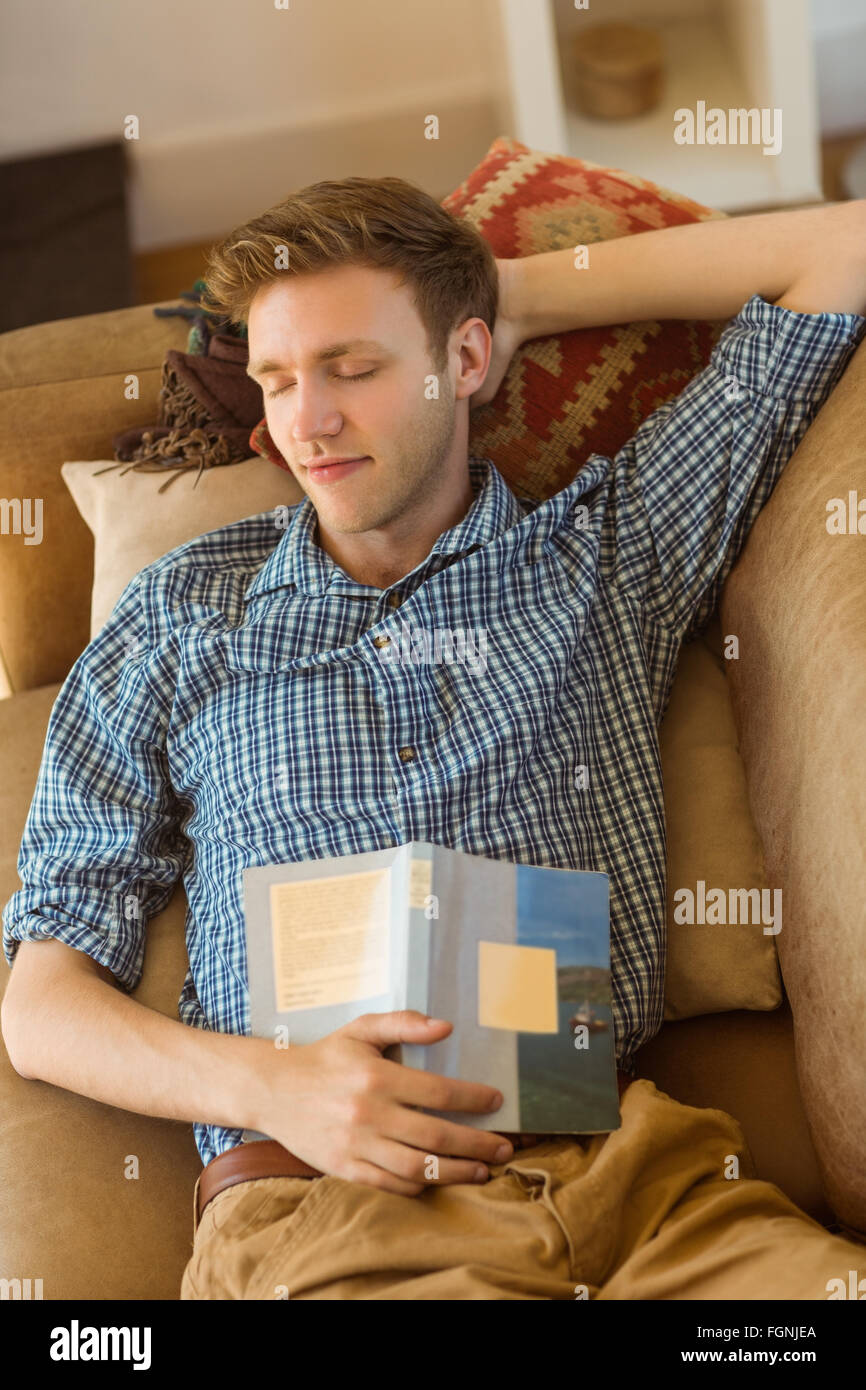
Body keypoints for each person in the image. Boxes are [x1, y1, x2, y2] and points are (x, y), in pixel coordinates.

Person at [3, 176, 866, 1300]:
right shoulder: (180, 614)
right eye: (276, 379)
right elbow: (41, 1004)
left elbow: (845, 244)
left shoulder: (610, 555)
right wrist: (269, 1087)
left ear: (461, 363)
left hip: (643, 1193)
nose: (301, 423)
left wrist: (512, 296)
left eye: (352, 368)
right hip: (329, 1215)